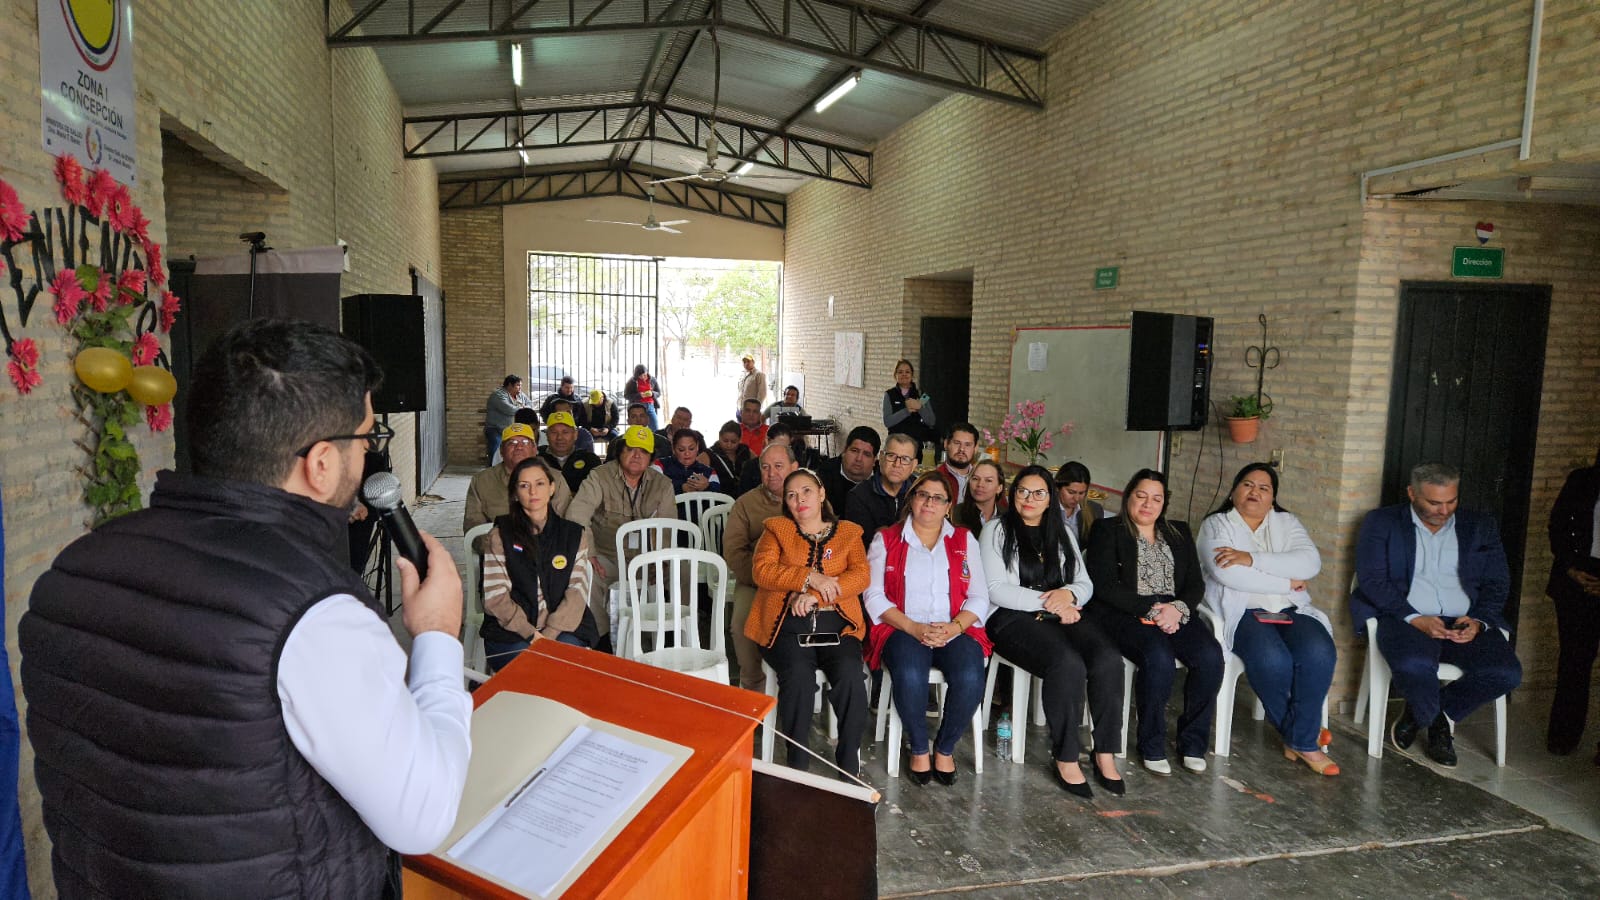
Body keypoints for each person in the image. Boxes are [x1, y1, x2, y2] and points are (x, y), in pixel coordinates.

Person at [21, 318, 471, 894]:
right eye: (366, 439)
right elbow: (423, 815)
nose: (369, 457)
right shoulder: (314, 616)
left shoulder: (73, 569)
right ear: (321, 463)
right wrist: (437, 634)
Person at [1351, 462, 1522, 767]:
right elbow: (1372, 580)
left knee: (1506, 673)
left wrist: (1479, 620)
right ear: (1412, 493)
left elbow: (1498, 581)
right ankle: (1438, 729)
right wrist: (1414, 617)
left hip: (1464, 620)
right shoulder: (1382, 522)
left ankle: (1423, 714)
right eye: (1433, 503)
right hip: (1404, 617)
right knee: (1413, 664)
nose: (1444, 511)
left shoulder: (1480, 525)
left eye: (1451, 501)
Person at [980, 465, 1125, 798]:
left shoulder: (1062, 532)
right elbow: (996, 589)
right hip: (1012, 616)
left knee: (1107, 658)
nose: (1029, 499)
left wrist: (1069, 596)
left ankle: (1104, 751)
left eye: (1038, 493)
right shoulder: (996, 530)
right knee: (1067, 663)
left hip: (1062, 611)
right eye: (1022, 491)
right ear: (1012, 494)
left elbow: (1084, 583)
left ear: (1050, 499)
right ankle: (1066, 755)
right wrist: (1054, 603)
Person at [1198, 463, 1337, 776]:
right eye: (1247, 484)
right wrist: (1286, 581)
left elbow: (1309, 563)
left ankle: (1298, 737)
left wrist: (1251, 559)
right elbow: (1227, 573)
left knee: (1319, 651)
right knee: (1273, 660)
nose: (1255, 492)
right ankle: (1305, 741)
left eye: (1264, 488)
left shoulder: (1287, 523)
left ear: (1273, 498)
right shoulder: (1216, 525)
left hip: (1289, 608)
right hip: (1242, 609)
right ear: (1233, 491)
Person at [1085, 468, 1224, 776]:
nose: (1148, 504)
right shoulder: (1107, 530)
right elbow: (1104, 585)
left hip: (1174, 610)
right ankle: (1152, 744)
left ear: (1164, 503)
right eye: (1141, 496)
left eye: (1156, 499)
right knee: (1158, 657)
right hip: (1126, 612)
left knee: (1210, 656)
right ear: (1128, 497)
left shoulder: (1179, 532)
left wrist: (1177, 609)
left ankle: (1192, 743)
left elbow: (1195, 584)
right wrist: (1152, 611)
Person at [864, 471, 991, 785]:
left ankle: (945, 748)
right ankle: (919, 747)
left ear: (948, 506)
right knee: (910, 672)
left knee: (970, 673)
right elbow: (873, 596)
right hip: (902, 627)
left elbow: (979, 596)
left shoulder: (964, 540)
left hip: (953, 627)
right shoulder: (887, 539)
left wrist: (954, 627)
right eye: (923, 495)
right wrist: (913, 627)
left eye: (938, 498)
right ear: (912, 499)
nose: (929, 503)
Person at [747, 469, 871, 776]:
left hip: (838, 625)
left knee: (850, 675)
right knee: (799, 677)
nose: (799, 499)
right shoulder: (776, 529)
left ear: (821, 493)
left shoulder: (848, 533)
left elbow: (860, 576)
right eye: (791, 495)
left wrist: (815, 596)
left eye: (806, 491)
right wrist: (808, 577)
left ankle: (849, 763)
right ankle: (798, 763)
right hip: (786, 626)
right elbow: (762, 571)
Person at [481, 458, 602, 671]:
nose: (533, 492)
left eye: (540, 483)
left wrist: (548, 635)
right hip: (512, 632)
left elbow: (577, 592)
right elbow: (495, 597)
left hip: (564, 628)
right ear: (514, 493)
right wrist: (530, 634)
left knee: (561, 663)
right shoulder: (500, 536)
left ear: (552, 488)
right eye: (524, 486)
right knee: (531, 666)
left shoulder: (573, 535)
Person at [566, 425, 678, 638]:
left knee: (683, 570)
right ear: (620, 452)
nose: (637, 455)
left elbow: (667, 526)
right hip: (607, 556)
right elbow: (576, 516)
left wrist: (660, 561)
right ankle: (602, 638)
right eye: (630, 449)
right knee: (587, 573)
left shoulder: (663, 485)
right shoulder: (599, 476)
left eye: (643, 451)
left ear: (651, 458)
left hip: (646, 559)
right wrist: (590, 553)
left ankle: (673, 633)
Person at [725, 442, 798, 692]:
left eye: (778, 466)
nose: (771, 473)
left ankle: (799, 686)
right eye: (765, 467)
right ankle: (753, 685)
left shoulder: (809, 498)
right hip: (756, 581)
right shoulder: (746, 504)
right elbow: (734, 553)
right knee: (742, 625)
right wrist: (766, 578)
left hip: (800, 583)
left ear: (794, 467)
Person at [1546, 447, 1600, 758]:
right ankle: (1564, 737)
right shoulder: (1581, 481)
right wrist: (1570, 568)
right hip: (1576, 576)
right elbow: (1557, 526)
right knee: (1574, 661)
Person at [466, 422, 572, 533]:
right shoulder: (482, 481)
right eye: (512, 443)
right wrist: (493, 540)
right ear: (501, 450)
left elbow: (566, 522)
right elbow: (473, 526)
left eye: (525, 442)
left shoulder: (555, 478)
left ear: (535, 449)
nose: (519, 447)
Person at [844, 433, 918, 549]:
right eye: (891, 456)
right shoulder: (858, 496)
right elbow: (865, 545)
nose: (897, 464)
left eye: (905, 459)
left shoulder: (920, 491)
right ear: (881, 458)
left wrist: (885, 533)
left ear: (913, 465)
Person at [882, 359, 936, 462]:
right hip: (896, 446)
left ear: (912, 375)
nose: (904, 374)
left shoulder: (922, 395)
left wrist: (919, 408)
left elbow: (931, 421)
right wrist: (906, 411)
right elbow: (887, 421)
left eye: (907, 372)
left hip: (917, 447)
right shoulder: (889, 394)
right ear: (895, 375)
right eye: (900, 372)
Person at [538, 411, 602, 494]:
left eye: (565, 432)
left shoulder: (590, 460)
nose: (559, 437)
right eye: (554, 432)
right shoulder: (537, 460)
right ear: (546, 435)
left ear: (575, 434)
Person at [818, 425, 881, 508]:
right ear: (844, 451)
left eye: (866, 454)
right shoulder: (824, 475)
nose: (859, 459)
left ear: (874, 460)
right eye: (854, 451)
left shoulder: (884, 478)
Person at [653, 428, 719, 494]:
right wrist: (680, 488)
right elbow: (653, 488)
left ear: (697, 447)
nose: (687, 453)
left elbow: (719, 493)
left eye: (691, 449)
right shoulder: (659, 465)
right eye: (681, 449)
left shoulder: (709, 471)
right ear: (673, 449)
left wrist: (707, 486)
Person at [1056, 461, 1105, 548]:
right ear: (1057, 487)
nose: (1076, 498)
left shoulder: (1095, 510)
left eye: (1081, 493)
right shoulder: (1044, 508)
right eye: (1071, 492)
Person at [485, 373, 532, 465]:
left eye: (520, 385)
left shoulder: (520, 394)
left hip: (512, 430)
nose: (520, 388)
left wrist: (524, 408)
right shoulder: (498, 395)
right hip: (496, 429)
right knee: (496, 449)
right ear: (510, 385)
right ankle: (492, 468)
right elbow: (509, 409)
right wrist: (523, 408)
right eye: (518, 385)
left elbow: (530, 404)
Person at [953, 458, 1007, 536]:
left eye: (988, 480)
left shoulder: (1007, 517)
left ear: (999, 488)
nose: (980, 484)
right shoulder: (955, 514)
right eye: (975, 479)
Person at [935, 422, 980, 501]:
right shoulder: (934, 478)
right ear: (946, 444)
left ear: (975, 448)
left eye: (968, 445)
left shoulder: (982, 479)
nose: (961, 449)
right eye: (957, 443)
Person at [709, 420, 753, 499]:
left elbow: (759, 464)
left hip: (744, 498)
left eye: (733, 442)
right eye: (725, 441)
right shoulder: (709, 453)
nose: (729, 445)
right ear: (719, 437)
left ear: (740, 440)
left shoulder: (745, 450)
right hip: (719, 499)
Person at [624, 363, 662, 430]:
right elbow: (626, 395)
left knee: (655, 428)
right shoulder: (632, 382)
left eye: (644, 375)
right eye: (640, 376)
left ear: (647, 372)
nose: (643, 377)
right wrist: (639, 395)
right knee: (638, 429)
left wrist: (652, 393)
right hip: (637, 407)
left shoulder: (653, 380)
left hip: (650, 406)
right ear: (636, 376)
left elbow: (658, 393)